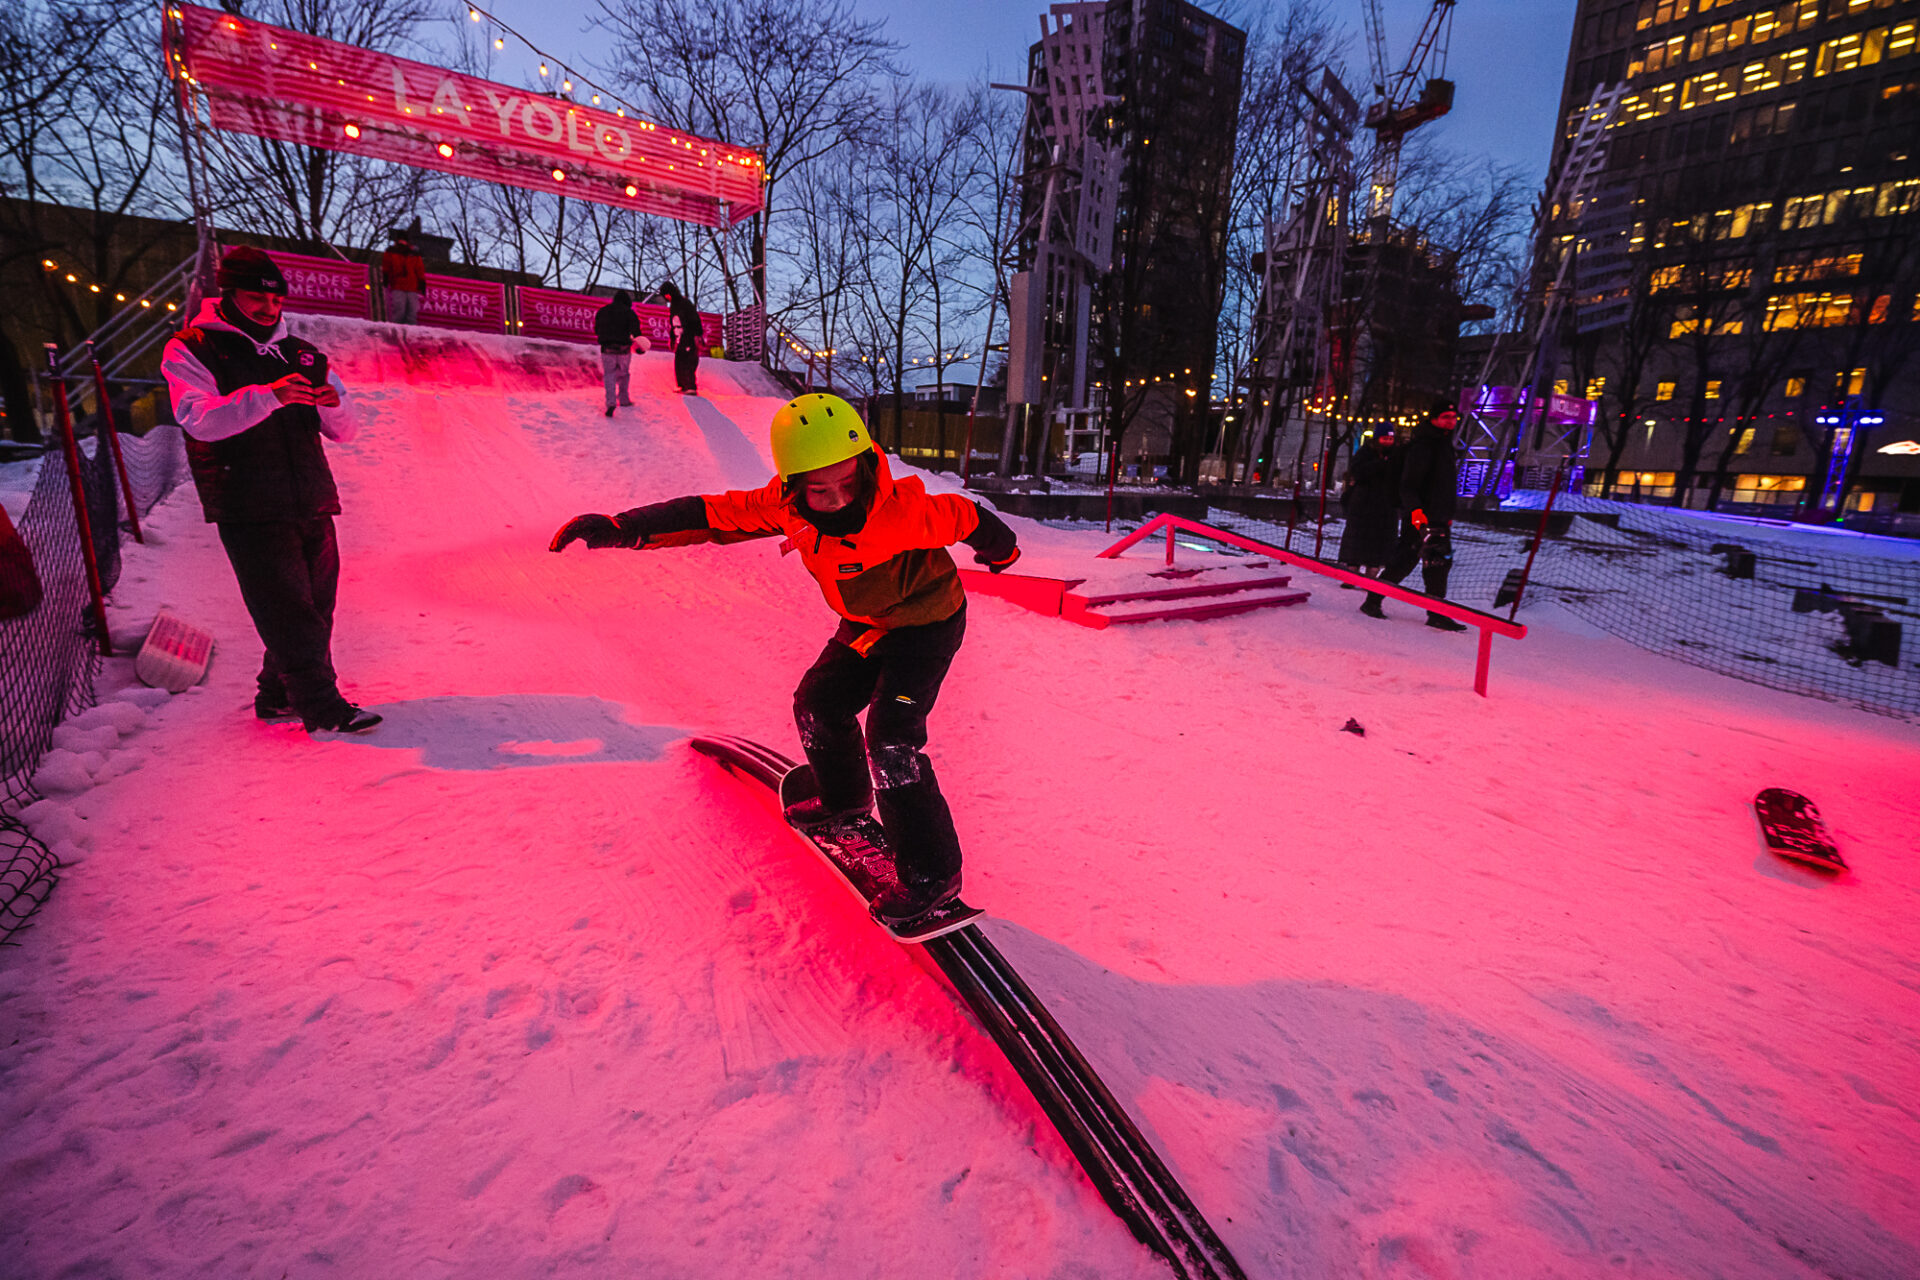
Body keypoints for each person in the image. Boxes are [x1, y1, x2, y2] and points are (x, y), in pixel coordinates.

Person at [549, 393, 1020, 929]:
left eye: (850, 482)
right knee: (818, 703)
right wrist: (622, 527)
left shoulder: (907, 512)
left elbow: (969, 518)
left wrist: (1000, 551)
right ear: (794, 490)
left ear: (867, 467)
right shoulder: (782, 507)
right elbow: (708, 514)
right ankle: (845, 798)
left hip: (927, 626)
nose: (840, 499)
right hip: (866, 625)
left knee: (892, 737)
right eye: (820, 491)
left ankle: (934, 873)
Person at [159, 245, 382, 733]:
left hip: (311, 496)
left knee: (315, 607)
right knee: (288, 610)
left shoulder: (301, 353)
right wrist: (271, 396)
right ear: (228, 294)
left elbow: (345, 430)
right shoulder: (193, 347)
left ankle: (277, 695)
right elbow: (198, 420)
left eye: (276, 301)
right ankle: (320, 707)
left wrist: (329, 405)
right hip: (248, 500)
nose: (268, 308)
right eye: (256, 298)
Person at [1366, 399, 1468, 630]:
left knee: (1437, 564)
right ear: (1433, 418)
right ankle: (1373, 600)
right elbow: (1409, 485)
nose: (1450, 421)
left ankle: (1436, 612)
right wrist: (1417, 514)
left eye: (1453, 417)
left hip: (1437, 517)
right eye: (1445, 417)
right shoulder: (1424, 446)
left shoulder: (1443, 444)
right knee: (1408, 560)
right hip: (1421, 517)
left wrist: (1446, 514)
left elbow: (1443, 486)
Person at [1337, 426, 1400, 614]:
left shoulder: (1396, 456)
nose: (1388, 442)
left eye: (1390, 439)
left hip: (1385, 505)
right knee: (1357, 537)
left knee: (1380, 540)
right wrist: (1380, 465)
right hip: (1363, 503)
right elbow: (1358, 472)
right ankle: (1351, 571)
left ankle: (1372, 572)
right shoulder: (1365, 453)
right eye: (1384, 439)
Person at [594, 290, 646, 417]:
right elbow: (636, 332)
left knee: (609, 375)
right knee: (623, 374)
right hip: (624, 349)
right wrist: (641, 346)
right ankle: (624, 399)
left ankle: (611, 402)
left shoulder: (603, 311)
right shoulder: (630, 313)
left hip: (607, 349)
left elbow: (596, 330)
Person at [658, 280, 703, 394]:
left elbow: (695, 319)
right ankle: (682, 385)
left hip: (689, 334)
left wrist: (697, 334)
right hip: (679, 336)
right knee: (679, 360)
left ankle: (690, 386)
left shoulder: (684, 303)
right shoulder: (673, 305)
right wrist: (672, 338)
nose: (666, 298)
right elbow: (673, 322)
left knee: (688, 360)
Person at [381, 232, 426, 325]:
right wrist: (385, 277)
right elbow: (386, 266)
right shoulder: (391, 251)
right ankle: (396, 331)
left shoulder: (414, 253)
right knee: (399, 311)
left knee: (412, 312)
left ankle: (410, 333)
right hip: (398, 285)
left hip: (411, 286)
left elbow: (419, 269)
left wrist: (422, 282)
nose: (402, 242)